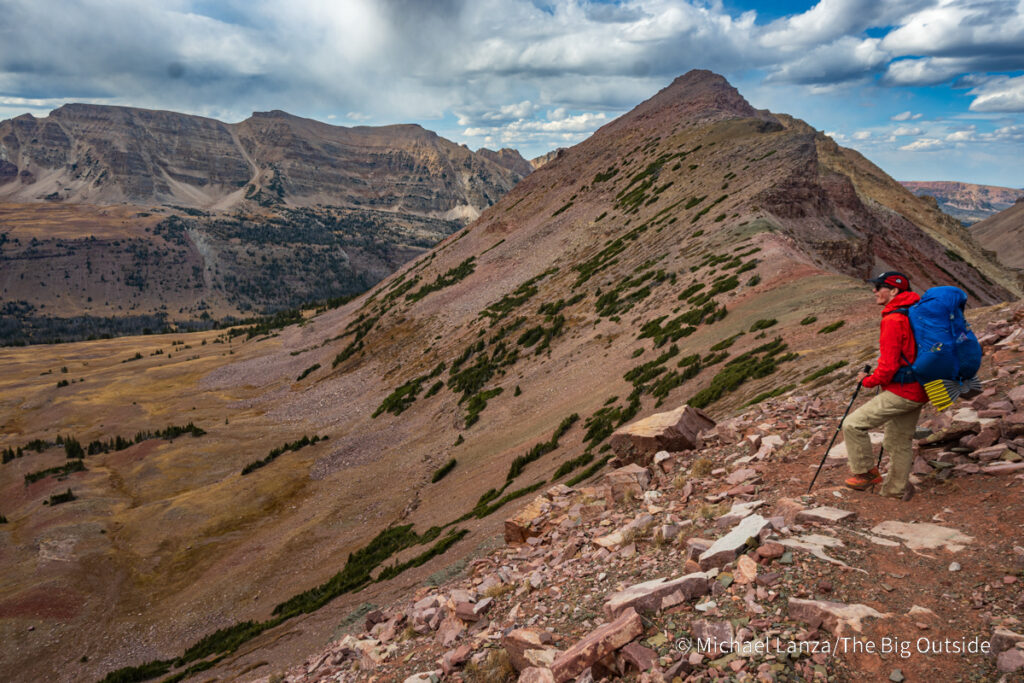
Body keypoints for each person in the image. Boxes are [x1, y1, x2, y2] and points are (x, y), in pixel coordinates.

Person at [842, 271, 928, 498]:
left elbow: (888, 366)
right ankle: (894, 490)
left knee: (852, 424)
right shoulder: (915, 311)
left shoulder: (893, 319)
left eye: (879, 286)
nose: (874, 291)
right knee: (898, 441)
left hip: (903, 391)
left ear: (894, 291)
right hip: (921, 387)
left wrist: (868, 381)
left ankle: (865, 473)